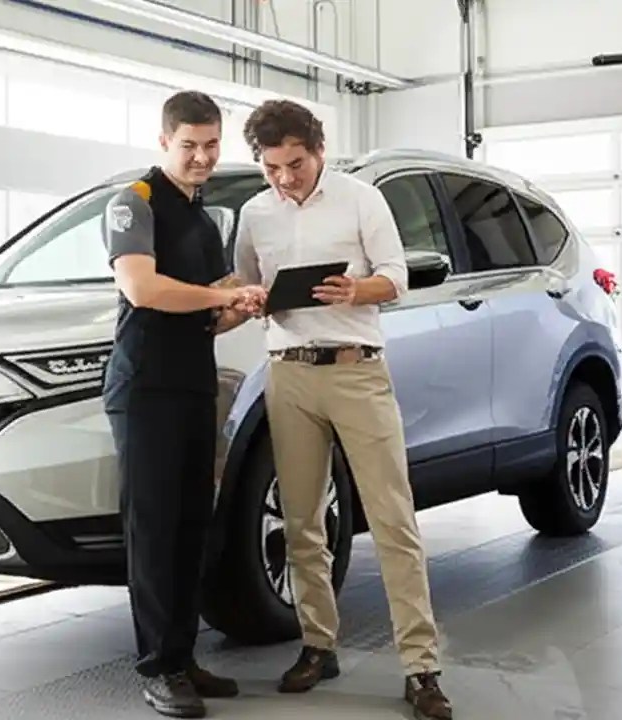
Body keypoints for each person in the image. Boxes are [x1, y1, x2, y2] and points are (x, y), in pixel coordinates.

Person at [232, 99, 453, 720]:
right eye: (272, 167)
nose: (284, 178)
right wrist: (252, 299)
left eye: (295, 164)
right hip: (288, 375)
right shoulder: (254, 214)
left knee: (392, 519)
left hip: (357, 371)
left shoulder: (361, 199)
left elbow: (397, 277)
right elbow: (244, 283)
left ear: (319, 151)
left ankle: (421, 667)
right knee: (301, 520)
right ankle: (317, 645)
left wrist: (358, 289)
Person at [102, 89, 267, 719]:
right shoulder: (134, 203)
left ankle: (182, 655)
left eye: (211, 145)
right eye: (189, 145)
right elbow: (142, 289)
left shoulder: (204, 220)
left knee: (193, 524)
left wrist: (244, 305)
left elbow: (205, 319)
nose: (202, 157)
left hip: (196, 382)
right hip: (146, 389)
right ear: (164, 141)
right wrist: (219, 295)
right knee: (154, 531)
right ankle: (158, 668)